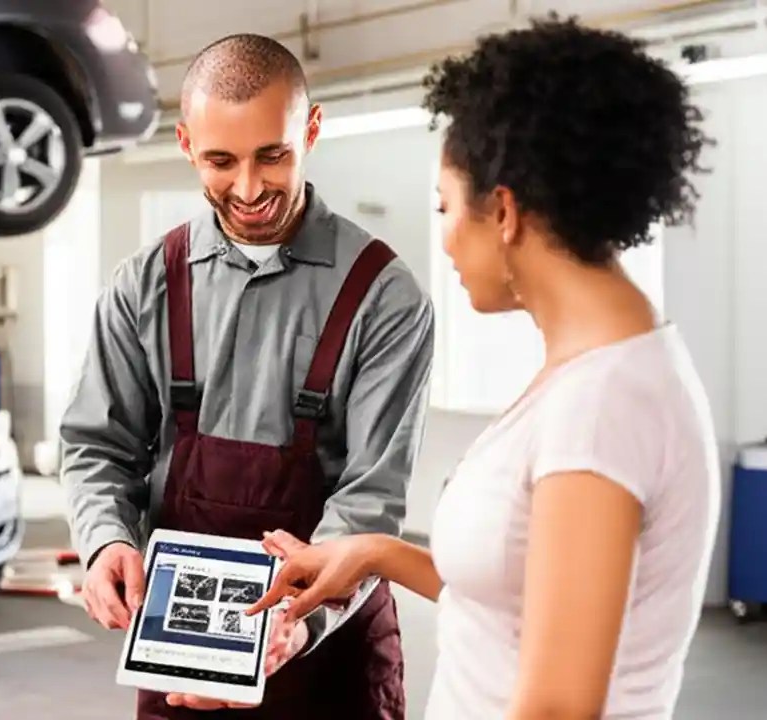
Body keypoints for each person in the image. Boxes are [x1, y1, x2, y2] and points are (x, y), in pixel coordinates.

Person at [247, 16, 721, 720]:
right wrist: (375, 552)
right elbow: (520, 593)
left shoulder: (600, 405)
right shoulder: (606, 366)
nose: (441, 238)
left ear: (502, 211)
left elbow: (557, 708)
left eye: (444, 206)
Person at [60, 33, 435, 720]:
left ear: (311, 130)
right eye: (220, 160)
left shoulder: (384, 295)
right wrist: (106, 540)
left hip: (327, 648)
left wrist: (295, 621)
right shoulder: (144, 286)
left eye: (273, 154)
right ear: (185, 143)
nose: (250, 188)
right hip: (183, 644)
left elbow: (372, 496)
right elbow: (96, 446)